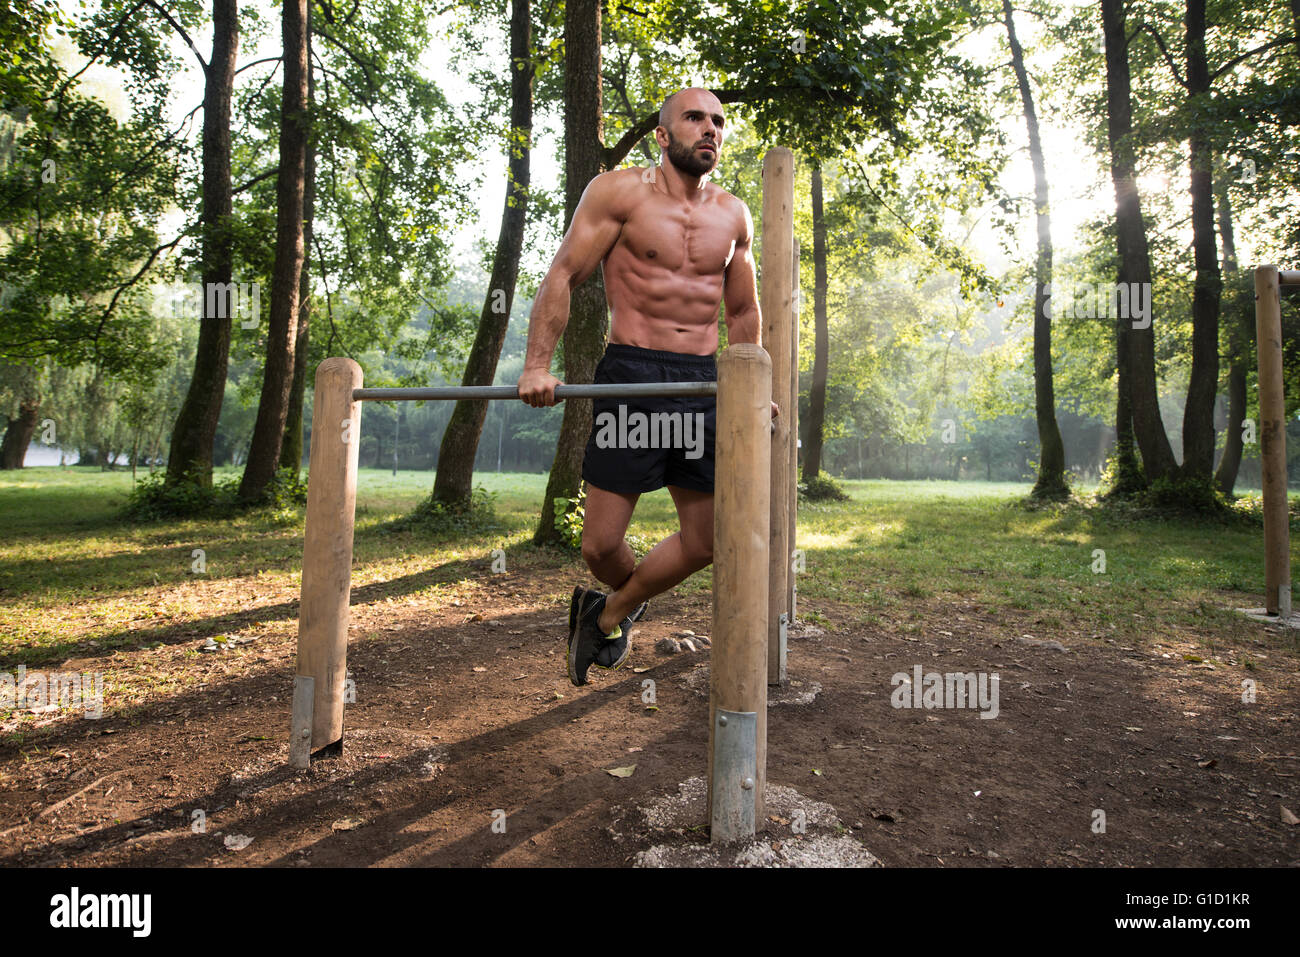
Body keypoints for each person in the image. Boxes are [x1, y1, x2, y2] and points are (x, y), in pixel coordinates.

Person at [518, 87, 775, 686]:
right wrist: (537, 364)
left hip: (702, 385)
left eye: (718, 121)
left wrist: (752, 385)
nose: (709, 129)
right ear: (662, 135)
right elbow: (565, 273)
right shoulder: (618, 193)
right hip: (632, 375)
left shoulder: (734, 215)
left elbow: (742, 314)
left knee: (706, 539)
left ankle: (606, 613)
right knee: (601, 548)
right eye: (694, 118)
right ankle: (620, 596)